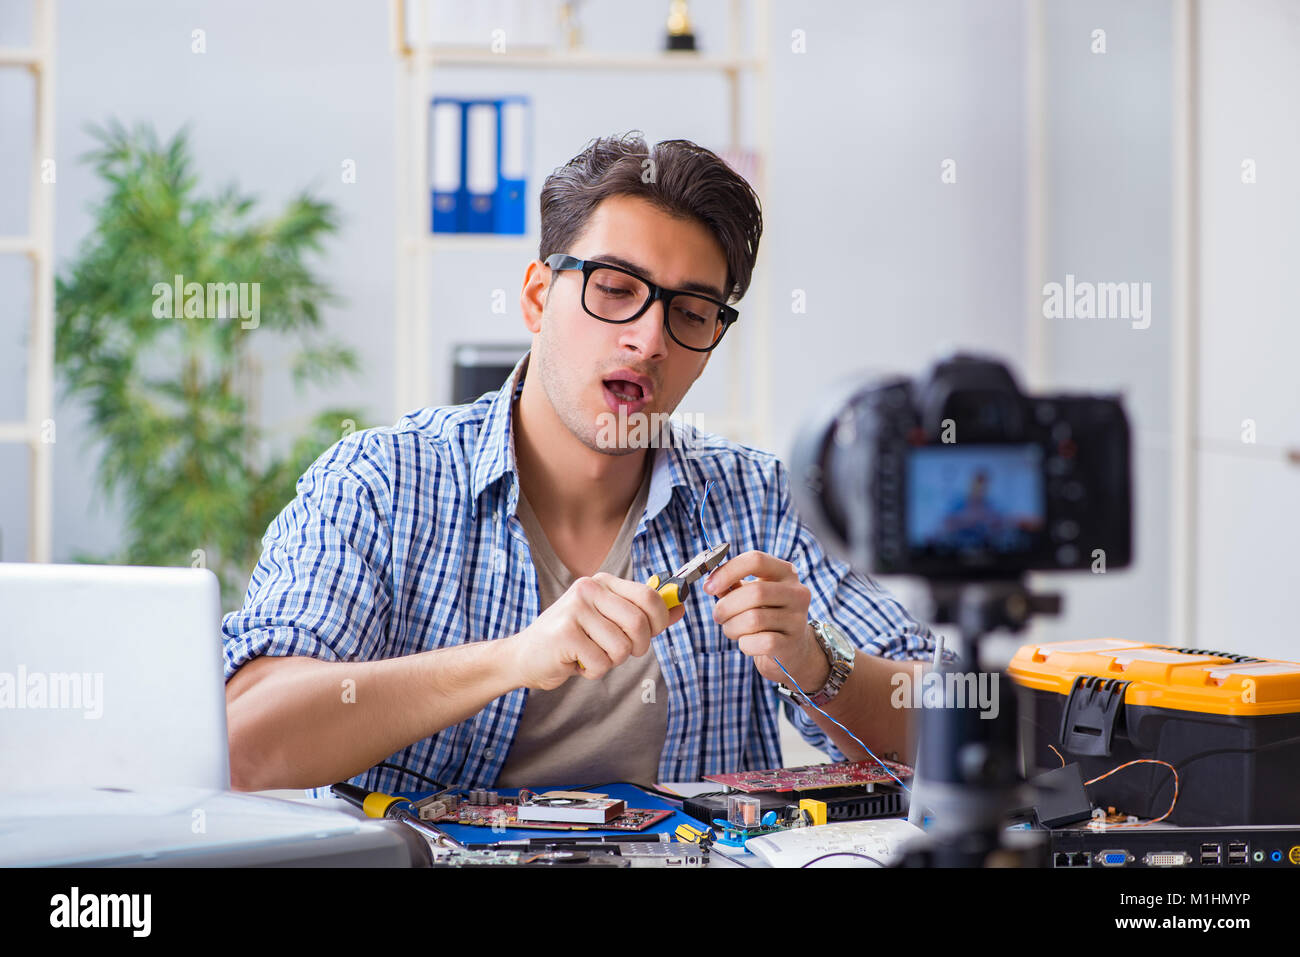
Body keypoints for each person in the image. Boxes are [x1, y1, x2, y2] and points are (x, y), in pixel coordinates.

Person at [222, 132, 938, 796]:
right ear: (538, 297)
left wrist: (820, 668)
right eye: (616, 289)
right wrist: (514, 659)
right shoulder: (380, 482)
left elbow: (959, 718)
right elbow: (243, 742)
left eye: (691, 311)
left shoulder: (760, 498)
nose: (650, 339)